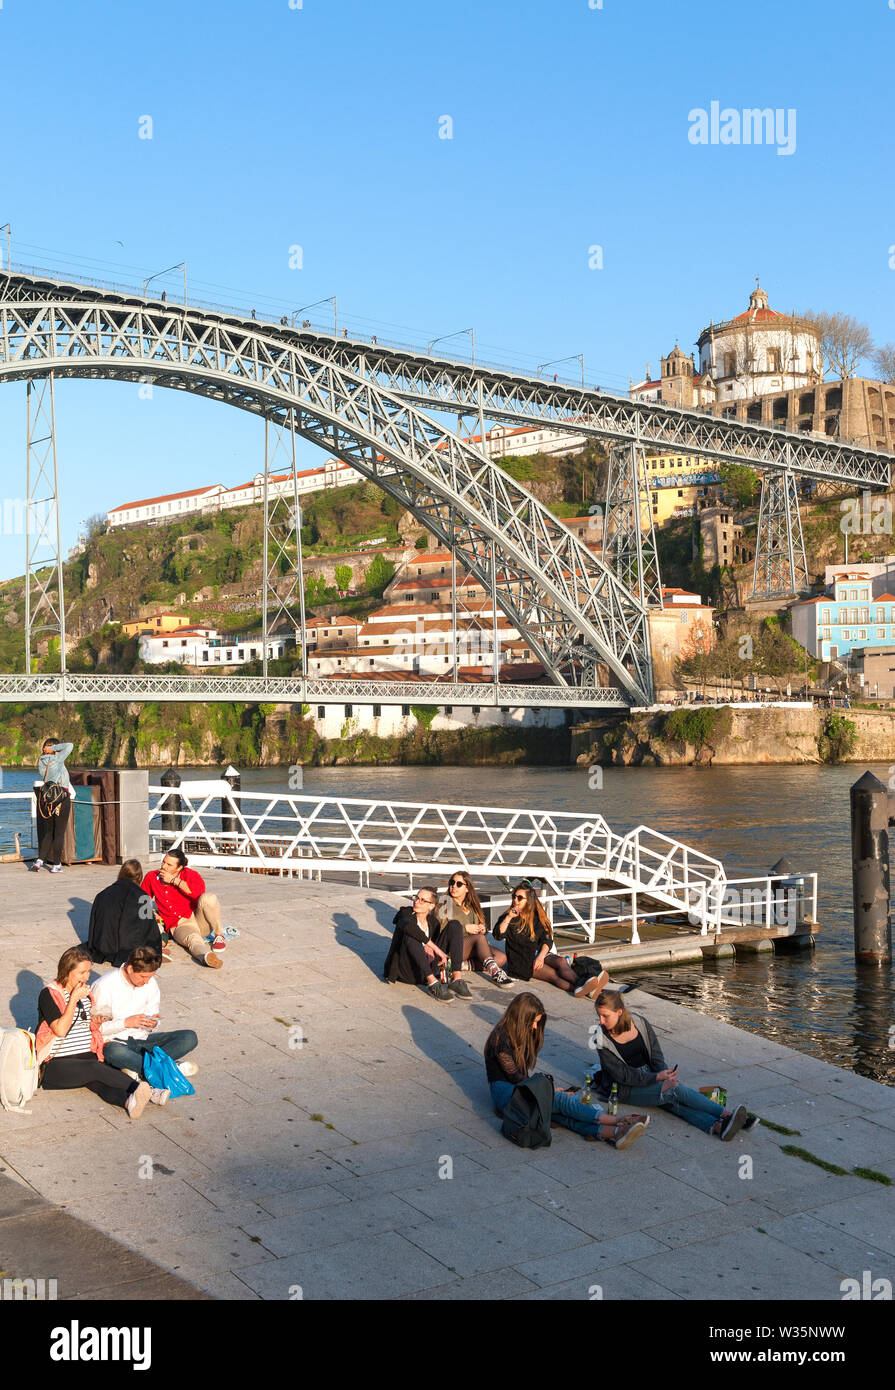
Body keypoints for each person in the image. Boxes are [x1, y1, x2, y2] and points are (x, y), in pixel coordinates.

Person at [485, 992, 646, 1149]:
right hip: (505, 1093)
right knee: (562, 1100)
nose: (534, 1027)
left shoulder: (520, 1034)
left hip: (520, 1090)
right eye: (532, 1022)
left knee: (562, 1115)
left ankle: (613, 1132)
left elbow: (523, 1078)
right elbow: (515, 1077)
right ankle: (618, 1121)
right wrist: (547, 1091)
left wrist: (546, 1091)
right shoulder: (500, 1038)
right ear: (520, 1018)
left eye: (536, 1022)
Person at [593, 989, 753, 1140]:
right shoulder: (601, 1037)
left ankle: (718, 1127)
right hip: (623, 1088)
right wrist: (656, 1078)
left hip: (649, 1076)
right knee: (674, 1091)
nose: (601, 1021)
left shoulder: (640, 1023)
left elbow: (656, 1056)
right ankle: (727, 1115)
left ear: (619, 1012)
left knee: (671, 1096)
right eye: (599, 1016)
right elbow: (623, 1075)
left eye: (605, 1016)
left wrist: (664, 1075)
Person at [35, 946, 162, 1116]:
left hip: (86, 1056)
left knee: (99, 1081)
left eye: (89, 971)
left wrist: (96, 1021)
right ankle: (145, 1090)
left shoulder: (86, 995)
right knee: (95, 1069)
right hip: (56, 1063)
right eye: (82, 972)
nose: (87, 977)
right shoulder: (49, 994)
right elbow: (60, 1030)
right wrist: (73, 999)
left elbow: (85, 1026)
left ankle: (129, 1102)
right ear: (67, 971)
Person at [92, 946, 199, 1081]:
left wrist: (153, 1023)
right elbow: (96, 1028)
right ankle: (170, 1068)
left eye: (150, 977)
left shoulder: (150, 983)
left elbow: (153, 1014)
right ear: (130, 969)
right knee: (113, 1052)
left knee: (189, 1037)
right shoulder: (104, 986)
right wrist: (126, 1023)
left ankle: (140, 1068)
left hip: (142, 1039)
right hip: (116, 1042)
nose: (146, 982)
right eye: (143, 977)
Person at [492, 883, 607, 997]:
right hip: (520, 962)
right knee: (553, 975)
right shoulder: (508, 918)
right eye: (514, 897)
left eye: (520, 898)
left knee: (561, 961)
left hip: (537, 954)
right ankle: (578, 989)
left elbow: (547, 940)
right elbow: (498, 935)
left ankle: (585, 985)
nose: (515, 900)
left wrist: (541, 957)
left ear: (529, 901)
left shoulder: (536, 918)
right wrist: (509, 917)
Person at [383, 886, 471, 1001]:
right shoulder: (405, 913)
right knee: (411, 936)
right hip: (408, 971)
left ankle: (457, 979)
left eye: (423, 900)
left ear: (431, 906)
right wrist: (434, 948)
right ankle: (433, 984)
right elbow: (409, 927)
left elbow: (435, 943)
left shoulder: (433, 922)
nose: (417, 902)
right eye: (416, 898)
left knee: (455, 925)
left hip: (428, 965)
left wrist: (431, 949)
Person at [141, 850, 226, 969]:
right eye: (163, 862)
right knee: (193, 939)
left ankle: (219, 935)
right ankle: (206, 956)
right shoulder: (152, 877)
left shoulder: (191, 875)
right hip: (179, 924)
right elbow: (143, 901)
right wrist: (147, 924)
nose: (164, 866)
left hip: (198, 917)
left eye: (169, 865)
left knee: (209, 898)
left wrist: (174, 881)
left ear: (179, 867)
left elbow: (197, 893)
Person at [438, 871, 512, 987]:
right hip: (451, 947)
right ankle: (495, 973)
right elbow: (441, 929)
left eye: (459, 884)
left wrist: (482, 928)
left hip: (471, 947)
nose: (453, 886)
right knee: (479, 939)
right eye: (452, 882)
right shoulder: (445, 903)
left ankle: (462, 965)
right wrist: (465, 928)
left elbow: (481, 926)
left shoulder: (472, 906)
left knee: (501, 958)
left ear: (467, 888)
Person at [87, 860, 164, 967]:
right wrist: (157, 943)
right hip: (127, 949)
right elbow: (148, 929)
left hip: (102, 946)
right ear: (139, 876)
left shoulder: (102, 894)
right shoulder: (142, 896)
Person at [32, 737, 74, 873]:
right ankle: (56, 865)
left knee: (49, 832)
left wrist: (50, 751)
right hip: (61, 799)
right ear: (53, 748)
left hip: (47, 800)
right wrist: (55, 749)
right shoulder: (57, 760)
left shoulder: (42, 762)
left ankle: (39, 860)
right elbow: (70, 745)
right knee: (59, 833)